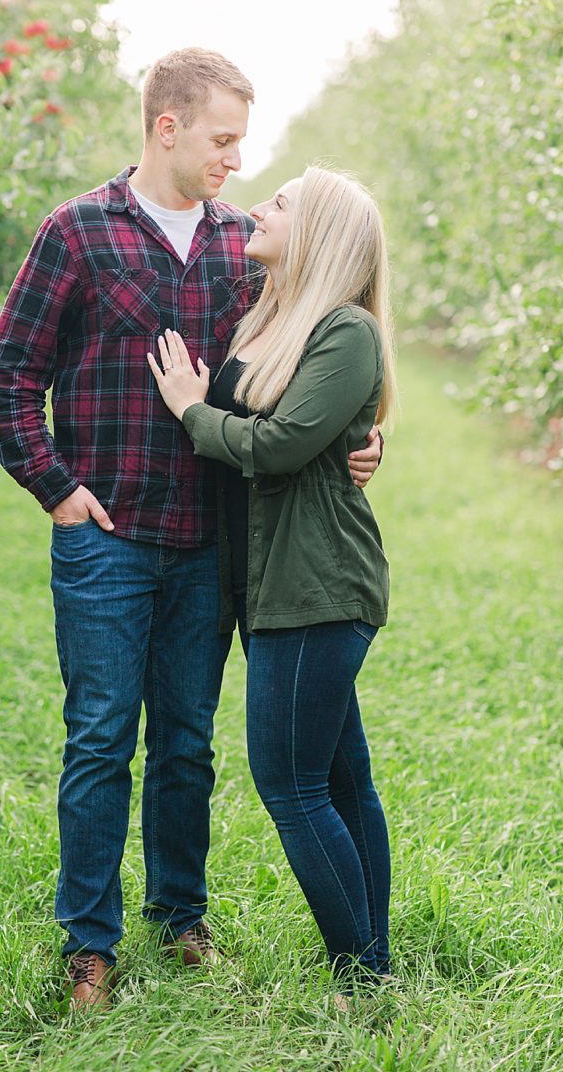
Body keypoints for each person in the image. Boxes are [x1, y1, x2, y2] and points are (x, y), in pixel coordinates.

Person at [0, 48, 382, 1009]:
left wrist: (356, 440)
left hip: (210, 544)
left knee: (189, 746)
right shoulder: (77, 234)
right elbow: (9, 377)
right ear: (167, 128)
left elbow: (308, 369)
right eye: (222, 139)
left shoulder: (242, 246)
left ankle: (180, 917)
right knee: (99, 739)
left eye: (241, 140)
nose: (235, 159)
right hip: (106, 537)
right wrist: (56, 491)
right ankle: (90, 944)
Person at [147, 165, 395, 989]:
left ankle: (359, 974)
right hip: (272, 585)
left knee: (290, 786)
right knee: (341, 779)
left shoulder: (345, 332)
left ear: (318, 233)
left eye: (281, 203)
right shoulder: (271, 317)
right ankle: (373, 964)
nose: (260, 206)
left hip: (316, 585)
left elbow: (282, 444)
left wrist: (191, 408)